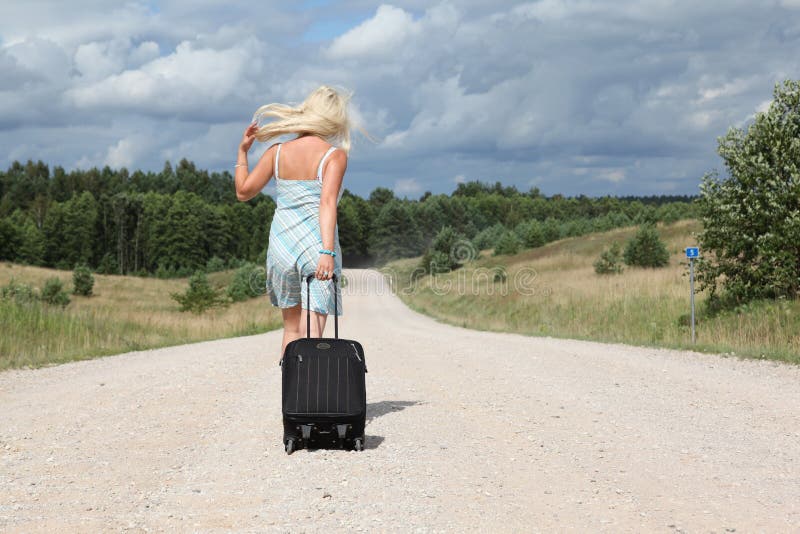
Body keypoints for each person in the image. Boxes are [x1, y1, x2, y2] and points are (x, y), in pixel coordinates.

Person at [234, 85, 351, 358]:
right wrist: (326, 251)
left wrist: (242, 152)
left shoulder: (276, 152)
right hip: (316, 248)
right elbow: (326, 203)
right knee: (312, 334)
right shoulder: (334, 156)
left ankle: (293, 395)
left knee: (291, 330)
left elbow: (243, 192)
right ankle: (311, 395)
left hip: (281, 247)